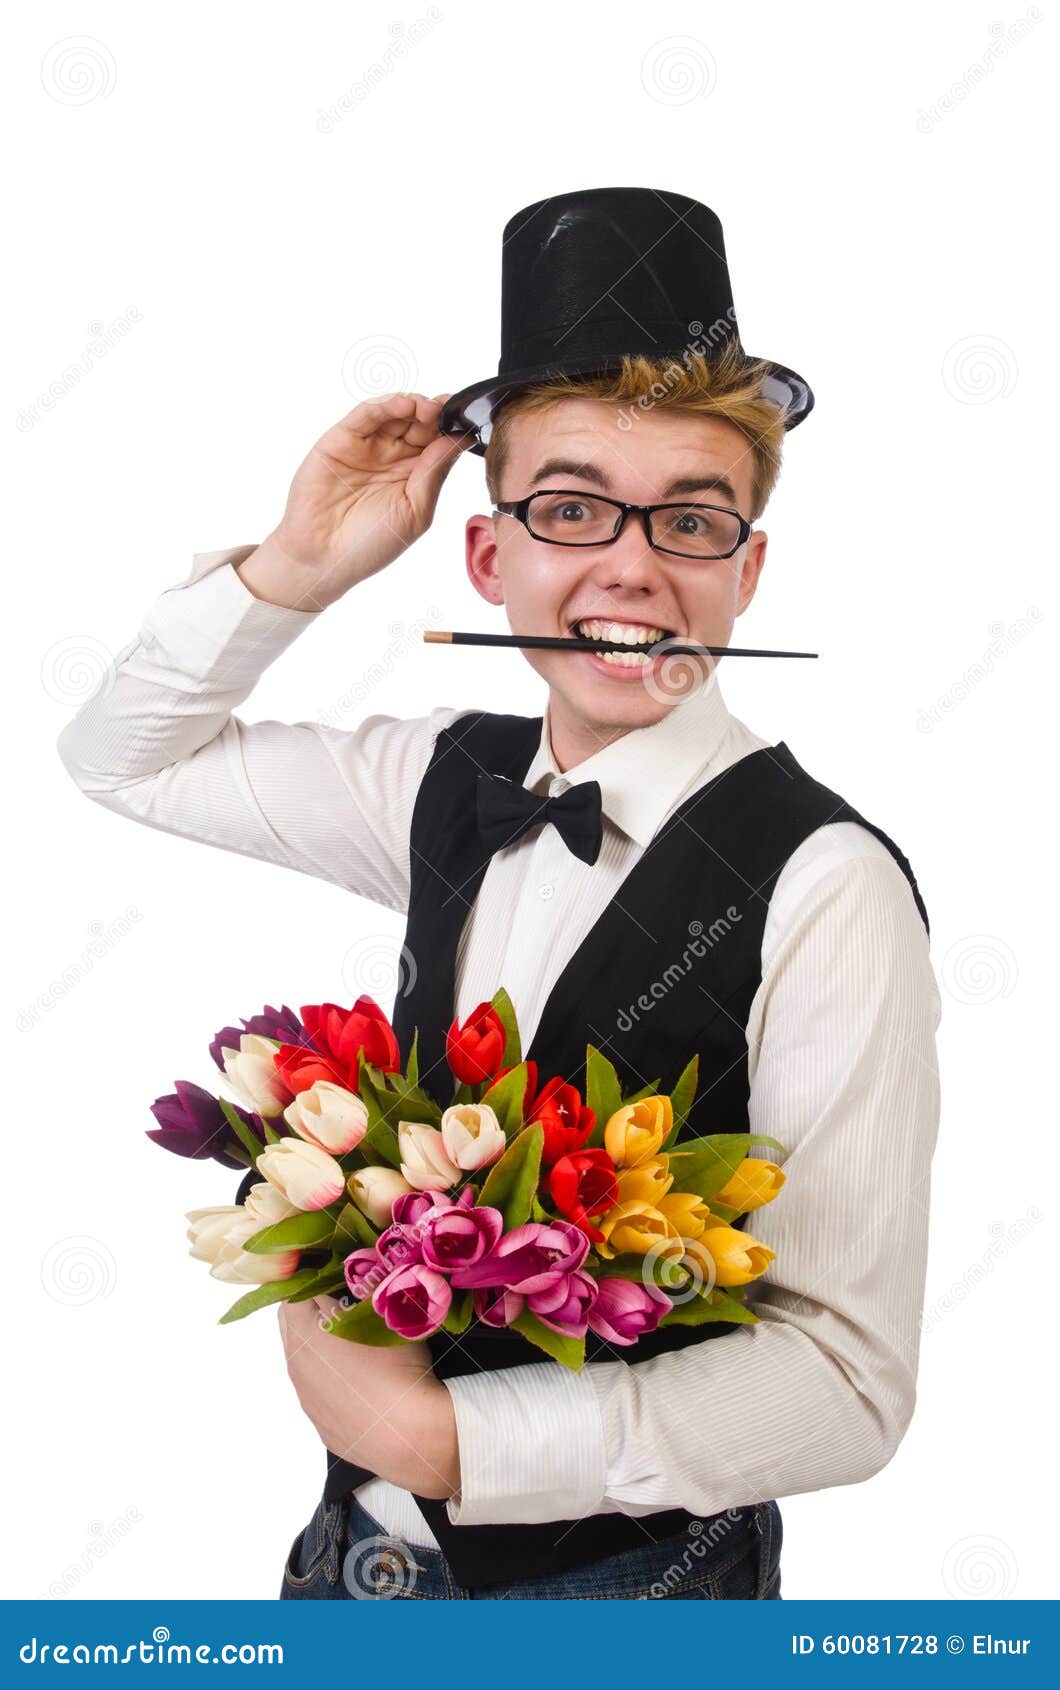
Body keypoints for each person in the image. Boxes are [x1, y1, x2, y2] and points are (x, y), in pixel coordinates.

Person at [56, 188, 941, 1601]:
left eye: (692, 520)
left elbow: (847, 1381)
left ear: (748, 569)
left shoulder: (828, 885)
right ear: (490, 555)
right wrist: (298, 567)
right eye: (572, 506)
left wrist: (442, 1435)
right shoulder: (439, 782)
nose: (632, 564)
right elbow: (122, 759)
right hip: (352, 1567)